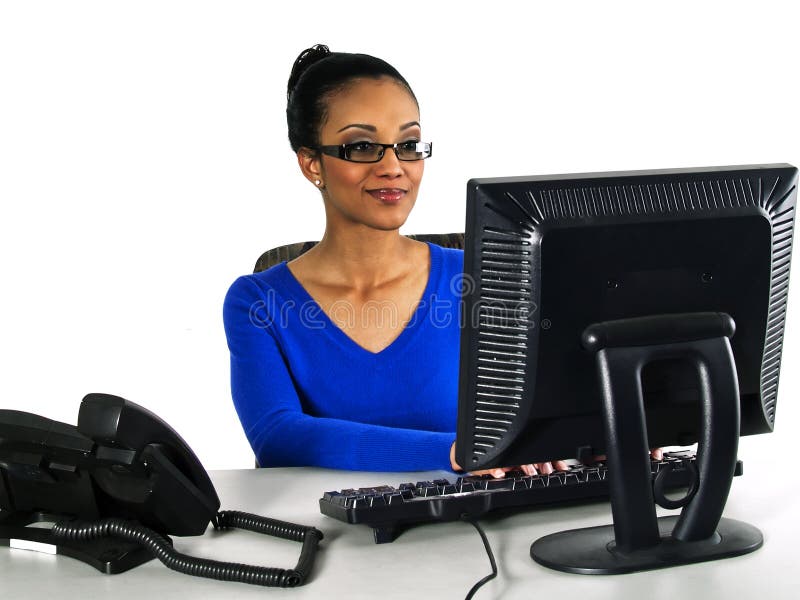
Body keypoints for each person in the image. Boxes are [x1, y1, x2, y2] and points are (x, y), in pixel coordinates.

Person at [223, 45, 567, 476]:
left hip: (477, 516)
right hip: (327, 519)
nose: (393, 166)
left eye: (407, 144)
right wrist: (452, 453)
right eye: (362, 146)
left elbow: (542, 411)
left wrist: (587, 440)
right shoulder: (258, 302)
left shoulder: (483, 279)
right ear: (312, 164)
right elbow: (277, 435)